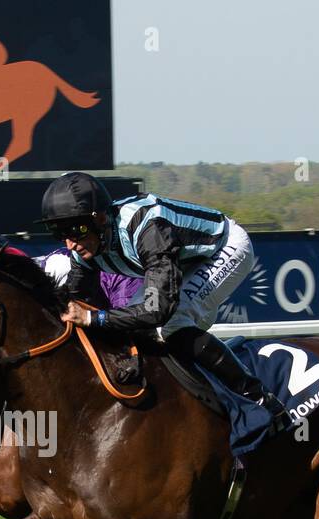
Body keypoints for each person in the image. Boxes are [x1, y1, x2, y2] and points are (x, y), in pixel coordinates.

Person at [36, 172, 292, 430]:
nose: (70, 244)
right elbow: (74, 305)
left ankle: (261, 401)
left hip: (224, 248)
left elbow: (158, 310)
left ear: (100, 218)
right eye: (61, 234)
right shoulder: (84, 248)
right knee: (131, 323)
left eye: (77, 230)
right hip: (182, 262)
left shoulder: (147, 228)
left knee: (171, 323)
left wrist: (95, 318)